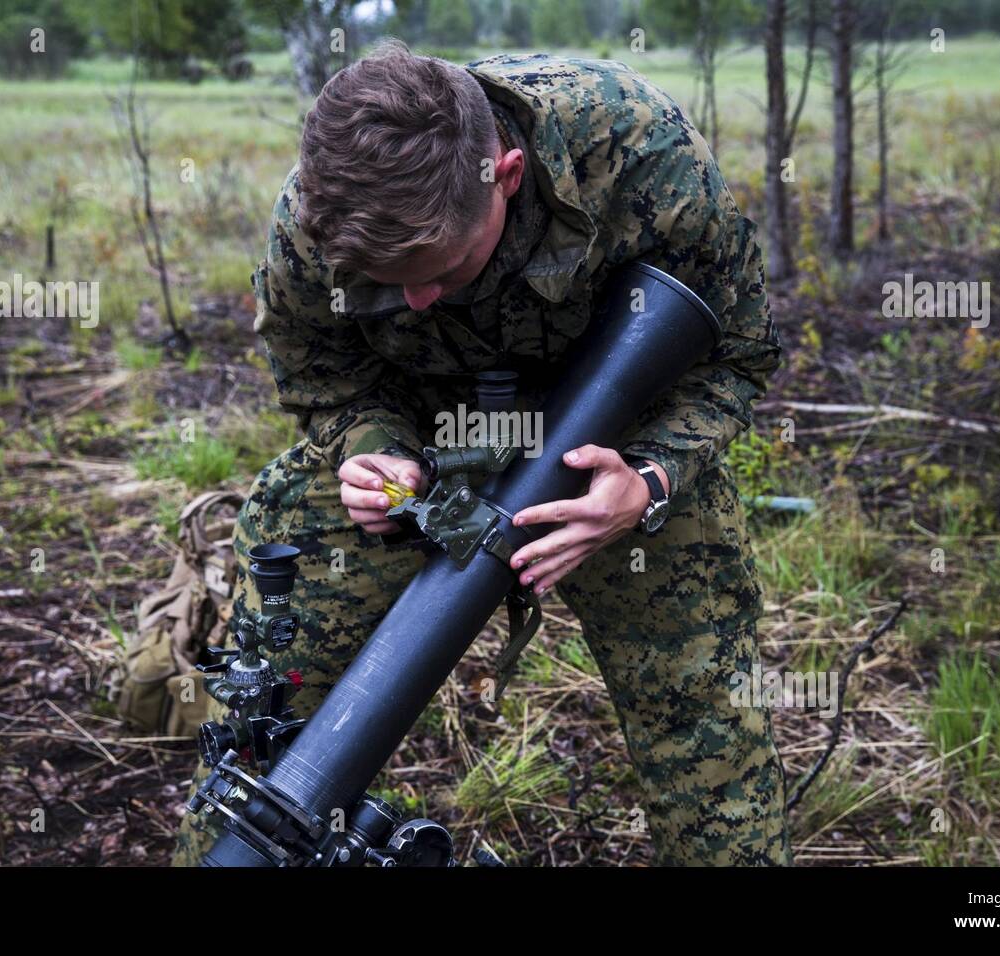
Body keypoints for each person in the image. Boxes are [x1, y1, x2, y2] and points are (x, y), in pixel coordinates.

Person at [172, 39, 788, 866]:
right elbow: (318, 367)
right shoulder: (322, 217)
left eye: (441, 267)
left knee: (705, 724)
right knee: (269, 708)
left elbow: (737, 349)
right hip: (424, 448)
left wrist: (650, 480)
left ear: (505, 171)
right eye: (388, 281)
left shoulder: (636, 149)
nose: (418, 299)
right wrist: (371, 448)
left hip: (611, 450)